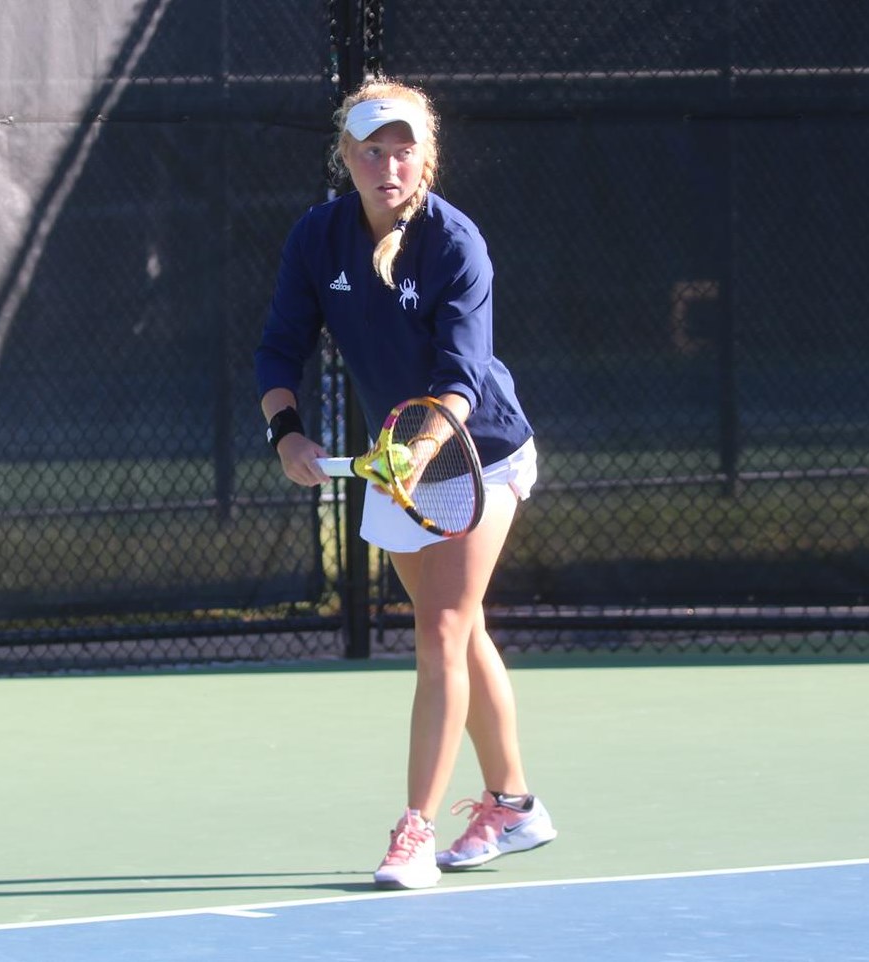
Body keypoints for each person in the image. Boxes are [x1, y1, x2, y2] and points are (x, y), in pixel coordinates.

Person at [253, 78, 556, 890]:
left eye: (403, 148)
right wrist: (286, 433)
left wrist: (422, 450)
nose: (388, 164)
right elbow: (279, 351)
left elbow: (460, 377)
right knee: (456, 627)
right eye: (371, 149)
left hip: (481, 450)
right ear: (346, 158)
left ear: (426, 158)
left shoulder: (457, 243)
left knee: (441, 630)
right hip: (403, 455)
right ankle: (516, 804)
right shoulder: (318, 239)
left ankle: (415, 831)